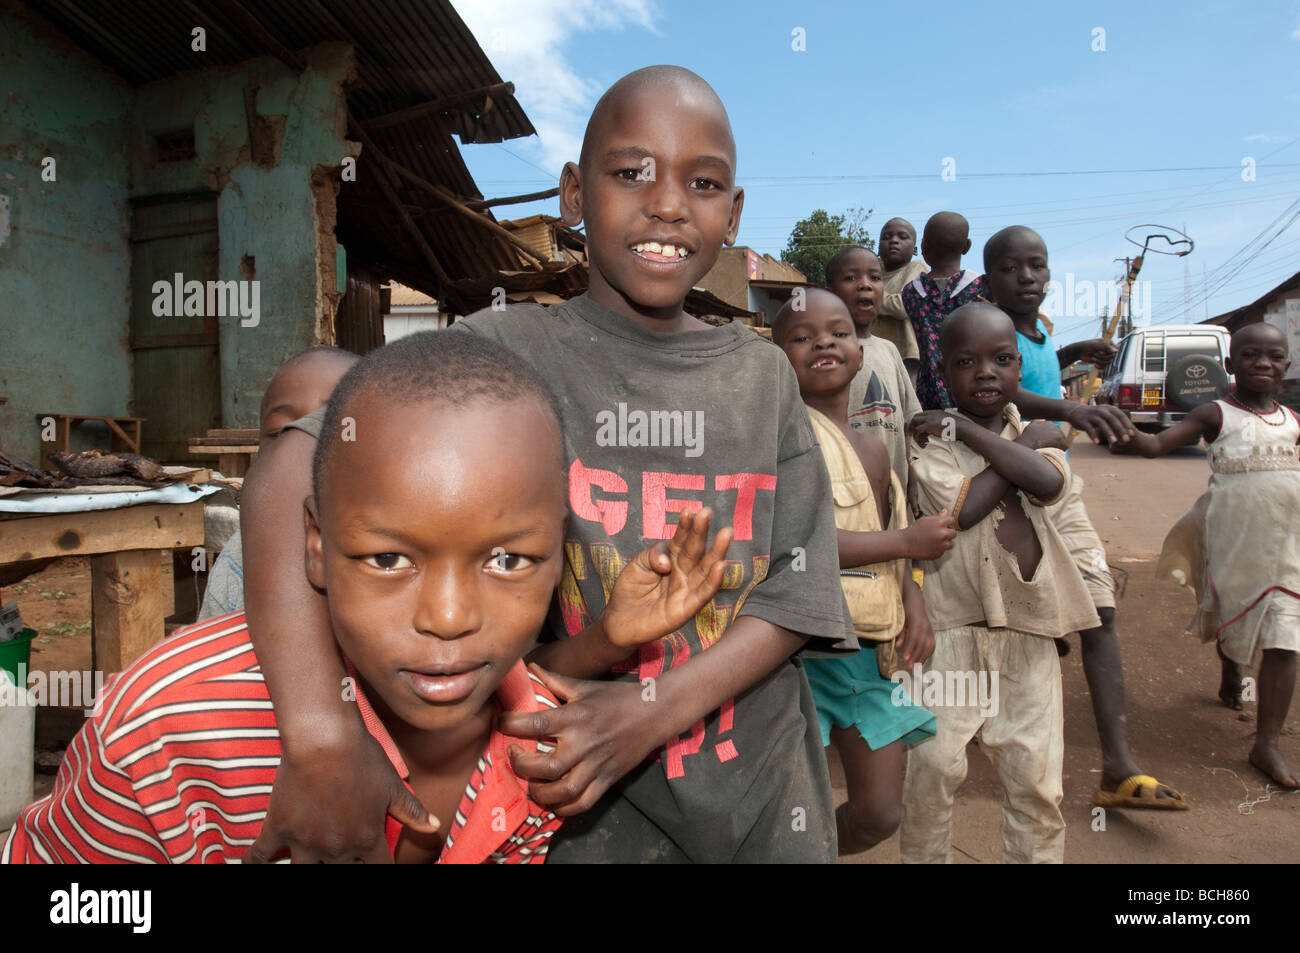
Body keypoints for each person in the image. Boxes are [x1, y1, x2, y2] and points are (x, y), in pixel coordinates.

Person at [236, 65, 859, 864]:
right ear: (572, 194)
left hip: (763, 802)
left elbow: (799, 596)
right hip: (576, 810)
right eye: (631, 171)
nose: (667, 202)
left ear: (732, 214)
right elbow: (288, 471)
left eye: (702, 183)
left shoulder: (763, 375)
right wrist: (319, 733)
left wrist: (648, 707)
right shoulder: (501, 355)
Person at [2, 332, 734, 863]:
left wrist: (605, 641)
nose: (448, 616)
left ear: (560, 555)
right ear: (314, 543)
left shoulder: (542, 753)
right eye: (388, 558)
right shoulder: (164, 729)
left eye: (508, 558)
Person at [983, 224, 1188, 810]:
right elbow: (1001, 392)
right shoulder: (989, 328)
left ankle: (1117, 767)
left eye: (1038, 266)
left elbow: (1032, 374)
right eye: (1012, 268)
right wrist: (1071, 405)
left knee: (1100, 612)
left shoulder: (1040, 331)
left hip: (1059, 487)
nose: (1028, 278)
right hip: (1006, 491)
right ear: (989, 277)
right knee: (1000, 618)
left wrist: (1069, 356)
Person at [902, 303, 1101, 864]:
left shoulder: (1036, 434)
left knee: (1036, 783)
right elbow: (961, 510)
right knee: (933, 772)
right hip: (950, 634)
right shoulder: (931, 441)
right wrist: (977, 434)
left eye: (1002, 359)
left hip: (1030, 631)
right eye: (967, 361)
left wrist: (1023, 446)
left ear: (1019, 368)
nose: (986, 372)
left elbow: (1045, 483)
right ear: (943, 370)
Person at [772, 289, 953, 854]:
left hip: (867, 652)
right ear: (779, 359)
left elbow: (894, 542)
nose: (823, 341)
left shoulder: (874, 447)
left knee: (878, 812)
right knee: (785, 796)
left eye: (838, 332)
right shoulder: (779, 438)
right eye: (802, 338)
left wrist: (914, 602)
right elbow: (791, 545)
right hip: (792, 650)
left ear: (860, 349)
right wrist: (905, 540)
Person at [1132, 322, 1300, 789]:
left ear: (1286, 365)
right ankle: (1232, 670)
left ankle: (1266, 743)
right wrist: (1115, 425)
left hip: (1288, 546)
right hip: (1235, 543)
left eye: (1274, 356)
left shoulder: (1293, 420)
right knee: (1235, 615)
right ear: (1231, 364)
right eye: (1250, 355)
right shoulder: (1215, 414)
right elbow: (1155, 445)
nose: (1263, 363)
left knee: (1284, 637)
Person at [198, 346, 358, 621]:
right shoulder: (240, 558)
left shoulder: (418, 544)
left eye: (334, 428)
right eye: (279, 432)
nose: (301, 450)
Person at [825, 245, 921, 493]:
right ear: (830, 293)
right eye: (850, 278)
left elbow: (910, 422)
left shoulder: (889, 351)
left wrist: (912, 472)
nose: (865, 285)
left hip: (893, 490)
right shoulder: (824, 353)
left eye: (875, 277)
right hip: (844, 491)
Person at [903, 212, 987, 412]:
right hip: (974, 390)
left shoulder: (911, 293)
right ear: (966, 247)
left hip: (928, 394)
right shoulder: (982, 288)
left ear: (923, 245)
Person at [877, 217, 928, 381]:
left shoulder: (916, 268)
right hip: (875, 355)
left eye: (902, 237)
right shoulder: (873, 275)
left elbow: (904, 305)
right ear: (878, 247)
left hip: (906, 358)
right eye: (886, 237)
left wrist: (869, 300)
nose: (893, 241)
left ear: (914, 248)